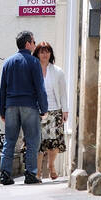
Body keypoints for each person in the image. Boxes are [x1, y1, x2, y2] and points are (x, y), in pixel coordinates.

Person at [0, 30, 48, 185]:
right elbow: (40, 87)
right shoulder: (34, 62)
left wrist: (2, 110)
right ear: (28, 43)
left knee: (10, 140)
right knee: (33, 140)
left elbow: (3, 89)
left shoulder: (8, 62)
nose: (34, 44)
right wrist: (43, 108)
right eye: (33, 42)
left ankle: (5, 174)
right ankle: (30, 174)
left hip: (11, 106)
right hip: (29, 106)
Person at [35, 42, 68, 180]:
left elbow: (62, 93)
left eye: (47, 51)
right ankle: (37, 172)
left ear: (51, 54)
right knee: (39, 142)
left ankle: (51, 166)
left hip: (55, 110)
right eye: (42, 51)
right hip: (38, 110)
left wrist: (65, 110)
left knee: (53, 142)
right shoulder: (33, 70)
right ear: (37, 54)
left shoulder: (58, 71)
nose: (45, 54)